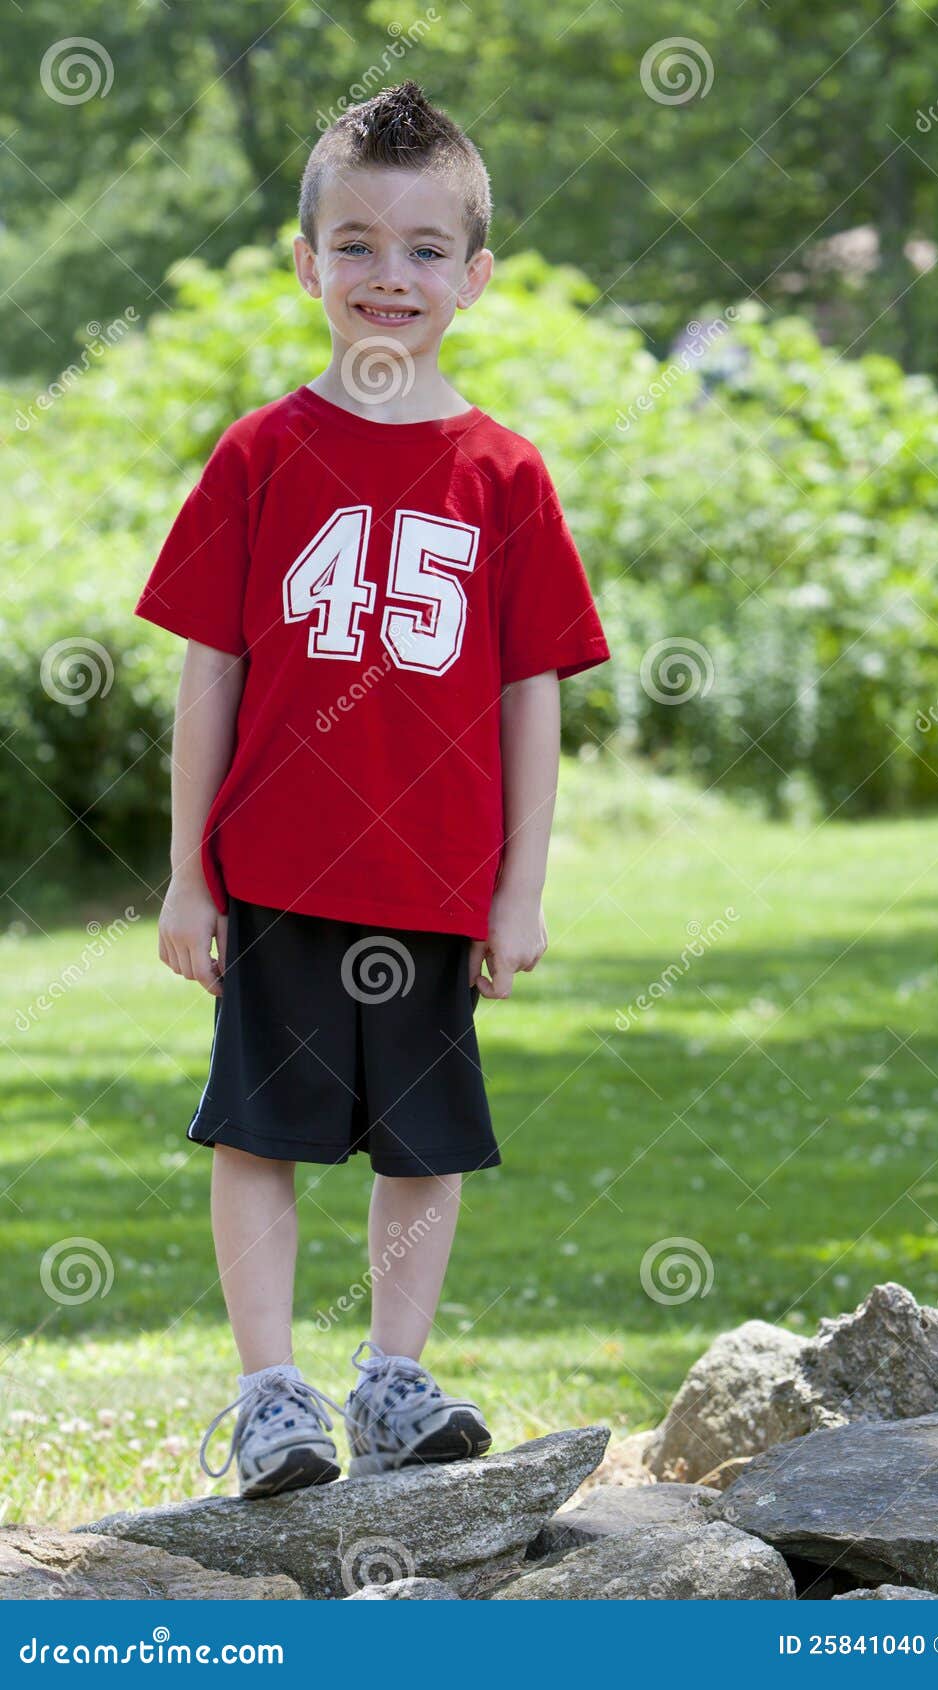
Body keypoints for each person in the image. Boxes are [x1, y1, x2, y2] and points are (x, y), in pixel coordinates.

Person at [134, 80, 610, 1499]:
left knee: (425, 1143)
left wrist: (520, 886)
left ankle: (394, 1376)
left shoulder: (504, 475)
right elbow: (209, 673)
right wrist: (183, 868)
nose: (385, 276)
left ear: (473, 276)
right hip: (277, 865)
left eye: (419, 249)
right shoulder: (260, 455)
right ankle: (272, 1391)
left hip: (438, 878)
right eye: (355, 244)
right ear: (306, 264)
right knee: (258, 1129)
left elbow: (535, 694)